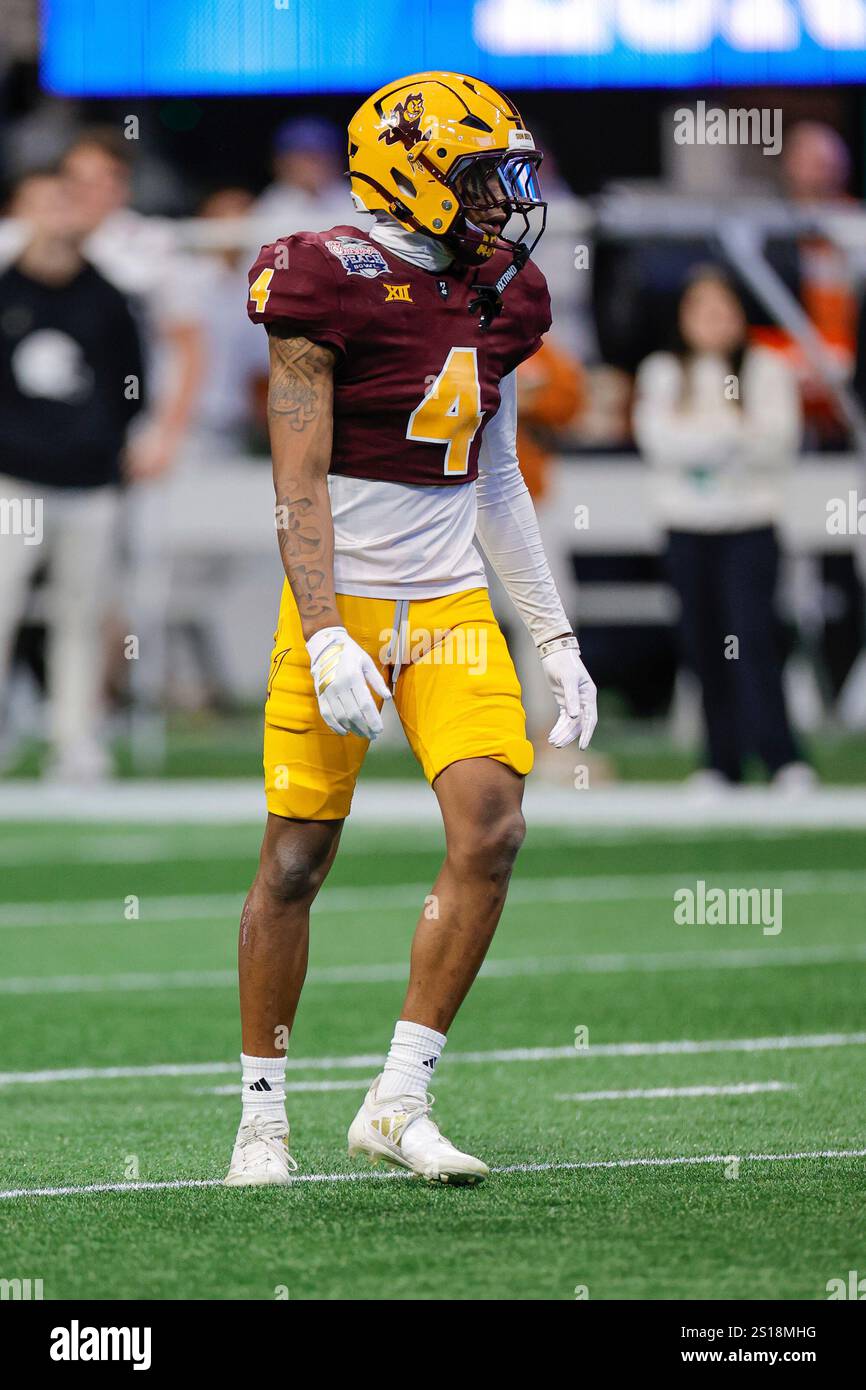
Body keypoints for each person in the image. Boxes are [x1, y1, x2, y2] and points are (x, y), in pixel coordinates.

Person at [225, 71, 598, 1187]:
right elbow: (296, 480)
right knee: (295, 861)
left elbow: (493, 483)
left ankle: (398, 1098)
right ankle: (260, 1117)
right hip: (337, 604)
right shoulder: (321, 278)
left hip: (444, 608)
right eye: (482, 177)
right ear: (413, 170)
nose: (502, 200)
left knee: (491, 828)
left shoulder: (503, 295)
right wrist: (327, 628)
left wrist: (552, 632)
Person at [633, 266, 811, 791]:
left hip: (749, 527)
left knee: (752, 639)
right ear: (684, 318)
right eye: (701, 310)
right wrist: (728, 435)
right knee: (703, 644)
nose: (713, 321)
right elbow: (660, 443)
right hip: (687, 529)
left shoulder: (768, 368)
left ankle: (782, 758)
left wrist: (704, 439)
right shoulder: (663, 371)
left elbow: (776, 442)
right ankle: (720, 762)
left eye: (722, 308)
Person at [0, 168, 144, 778]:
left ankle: (75, 738)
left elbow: (134, 386)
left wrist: (111, 446)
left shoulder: (107, 296)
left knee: (80, 613)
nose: (56, 213)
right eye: (43, 200)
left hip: (89, 481)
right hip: (16, 481)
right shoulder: (6, 291)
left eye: (65, 200)